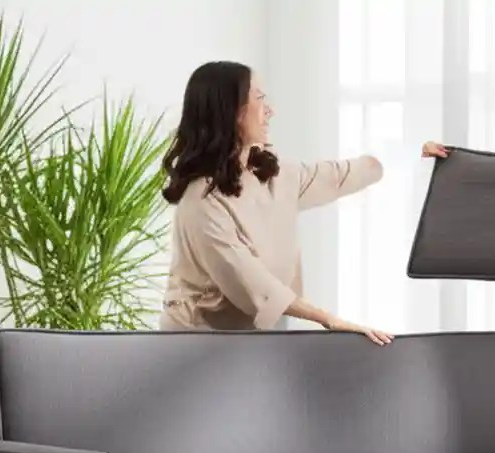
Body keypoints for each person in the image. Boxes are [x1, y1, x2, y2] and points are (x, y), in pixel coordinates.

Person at [160, 60, 393, 345]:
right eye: (259, 98)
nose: (270, 111)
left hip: (250, 343)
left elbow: (338, 176)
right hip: (195, 346)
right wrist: (330, 320)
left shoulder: (271, 175)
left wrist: (404, 155)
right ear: (231, 111)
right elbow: (251, 284)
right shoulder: (202, 201)